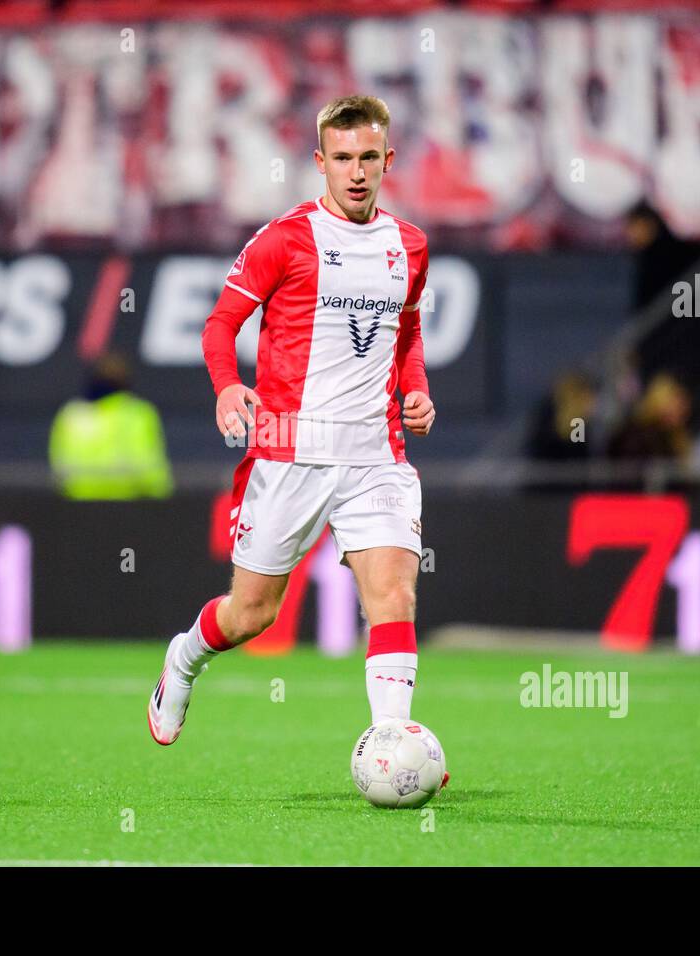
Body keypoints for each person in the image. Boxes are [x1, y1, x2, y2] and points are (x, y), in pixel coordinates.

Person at [146, 94, 445, 792]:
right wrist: (226, 387)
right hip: (288, 451)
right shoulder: (285, 239)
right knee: (252, 613)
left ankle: (394, 745)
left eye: (369, 157)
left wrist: (416, 390)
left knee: (393, 594)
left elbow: (405, 334)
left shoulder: (411, 246)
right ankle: (185, 659)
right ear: (320, 162)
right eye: (342, 159)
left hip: (376, 452)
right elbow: (220, 325)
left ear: (387, 159)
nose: (357, 171)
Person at [48, 352, 173, 500]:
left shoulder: (70, 414)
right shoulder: (138, 413)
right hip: (129, 505)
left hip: (78, 505)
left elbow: (58, 469)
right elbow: (153, 475)